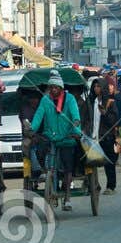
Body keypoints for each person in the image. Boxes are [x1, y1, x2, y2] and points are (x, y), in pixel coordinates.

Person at [29, 79, 82, 209]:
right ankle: (45, 173)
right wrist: (31, 128)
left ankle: (67, 197)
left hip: (66, 137)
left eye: (56, 87)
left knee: (68, 166)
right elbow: (38, 116)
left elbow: (75, 116)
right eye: (51, 87)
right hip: (50, 136)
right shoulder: (45, 100)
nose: (53, 90)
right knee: (39, 151)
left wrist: (75, 125)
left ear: (61, 88)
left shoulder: (69, 99)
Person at [83, 77, 119, 194]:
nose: (96, 88)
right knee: (91, 163)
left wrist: (105, 114)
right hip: (93, 137)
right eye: (94, 86)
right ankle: (93, 185)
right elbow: (87, 119)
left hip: (106, 137)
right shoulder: (90, 101)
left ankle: (111, 186)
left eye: (98, 86)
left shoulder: (110, 102)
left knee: (109, 163)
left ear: (103, 88)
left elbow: (114, 121)